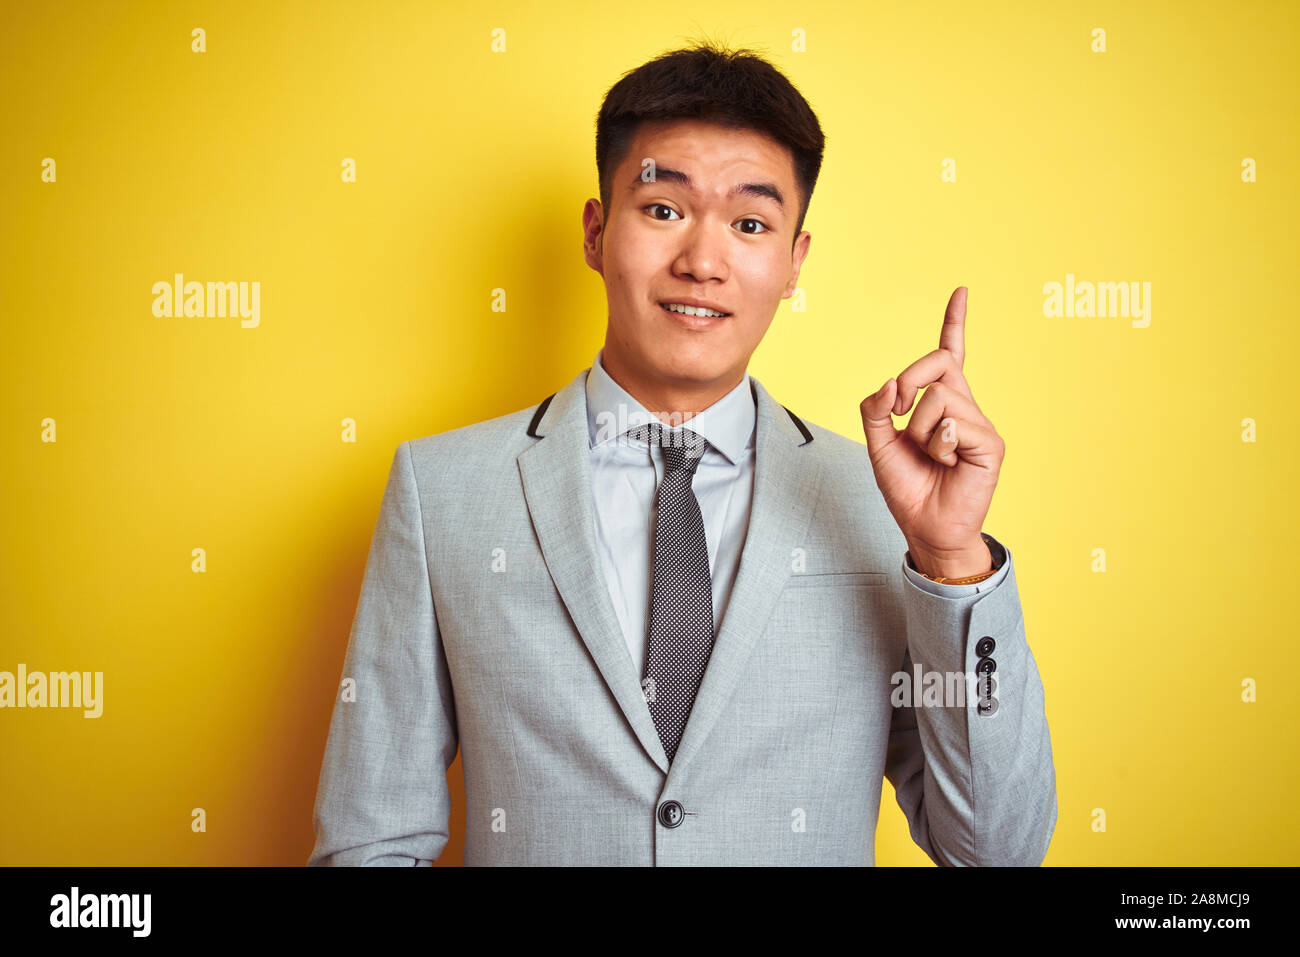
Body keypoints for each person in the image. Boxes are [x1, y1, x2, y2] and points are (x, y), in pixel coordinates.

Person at [308, 40, 1056, 866]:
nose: (703, 261)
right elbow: (371, 837)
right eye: (663, 210)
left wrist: (951, 558)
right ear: (596, 233)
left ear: (794, 262)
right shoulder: (442, 489)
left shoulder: (884, 506)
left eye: (749, 223)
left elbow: (998, 850)